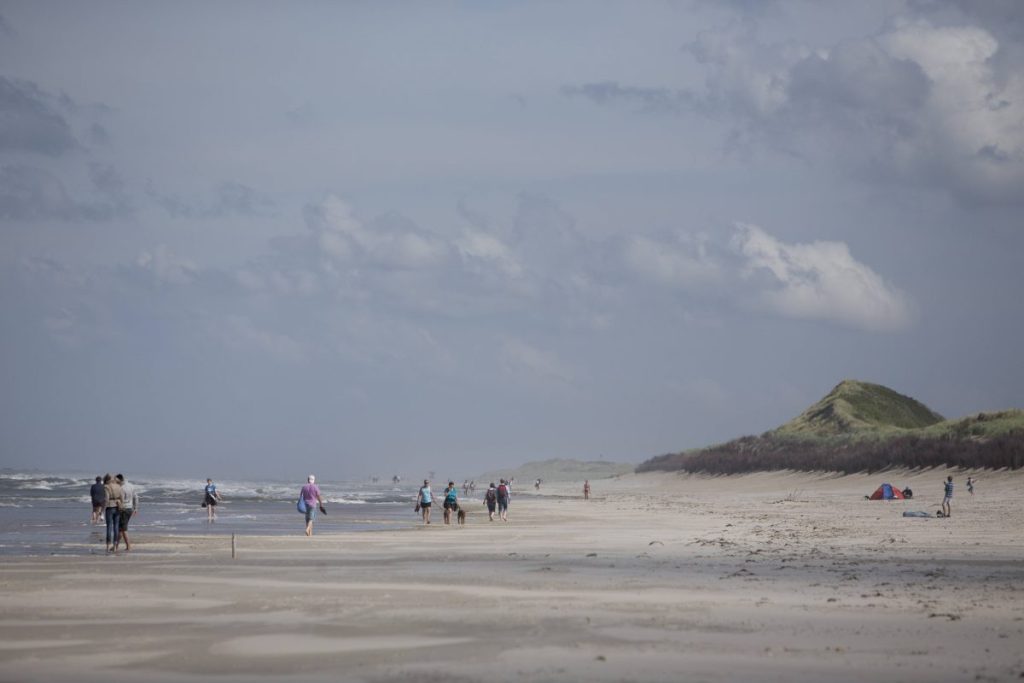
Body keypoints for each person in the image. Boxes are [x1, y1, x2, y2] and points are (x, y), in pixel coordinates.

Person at [102, 473, 124, 554]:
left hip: (110, 507)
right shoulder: (119, 486)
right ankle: (115, 547)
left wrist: (102, 510)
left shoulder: (106, 487)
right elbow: (122, 498)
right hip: (118, 506)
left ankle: (108, 546)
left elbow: (106, 499)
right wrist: (121, 504)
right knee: (116, 527)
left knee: (109, 527)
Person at [116, 474, 138, 552]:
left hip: (124, 509)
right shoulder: (131, 486)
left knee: (123, 529)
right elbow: (136, 497)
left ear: (119, 480)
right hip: (130, 509)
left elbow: (120, 500)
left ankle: (128, 546)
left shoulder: (120, 488)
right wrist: (135, 508)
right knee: (121, 529)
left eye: (116, 481)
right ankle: (116, 546)